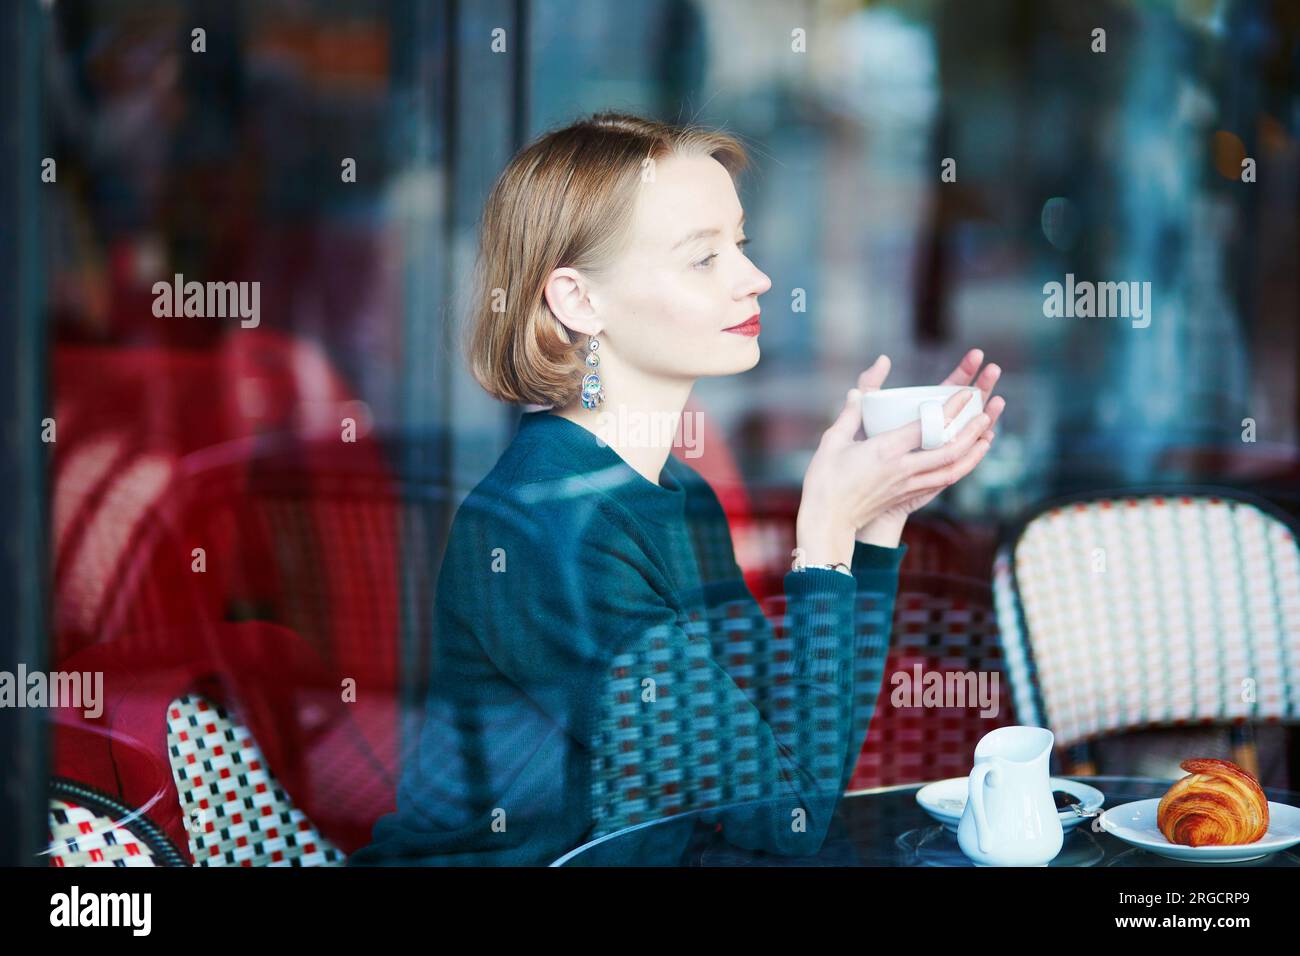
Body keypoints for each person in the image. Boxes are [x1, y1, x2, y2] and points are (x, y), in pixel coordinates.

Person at [347, 111, 1005, 866]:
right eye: (703, 259)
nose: (755, 278)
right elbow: (782, 820)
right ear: (578, 301)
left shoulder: (677, 493)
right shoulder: (546, 530)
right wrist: (822, 541)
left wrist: (876, 524)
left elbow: (796, 771)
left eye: (741, 245)